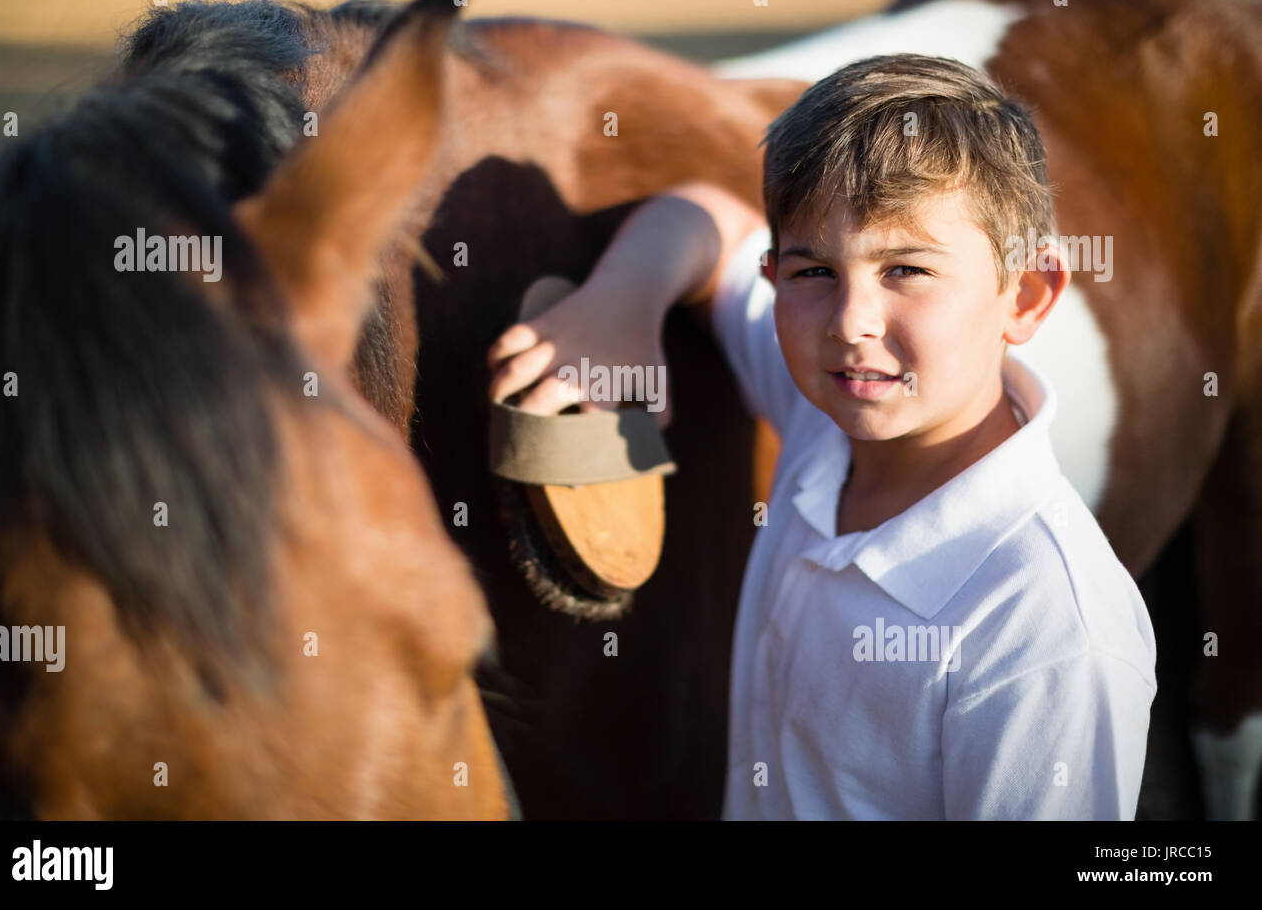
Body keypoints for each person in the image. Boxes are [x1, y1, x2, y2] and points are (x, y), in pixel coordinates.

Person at [486, 54, 1156, 819]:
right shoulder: (832, 423)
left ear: (1028, 296)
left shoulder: (1045, 629)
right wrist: (622, 300)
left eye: (905, 269)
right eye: (813, 273)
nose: (849, 323)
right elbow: (703, 216)